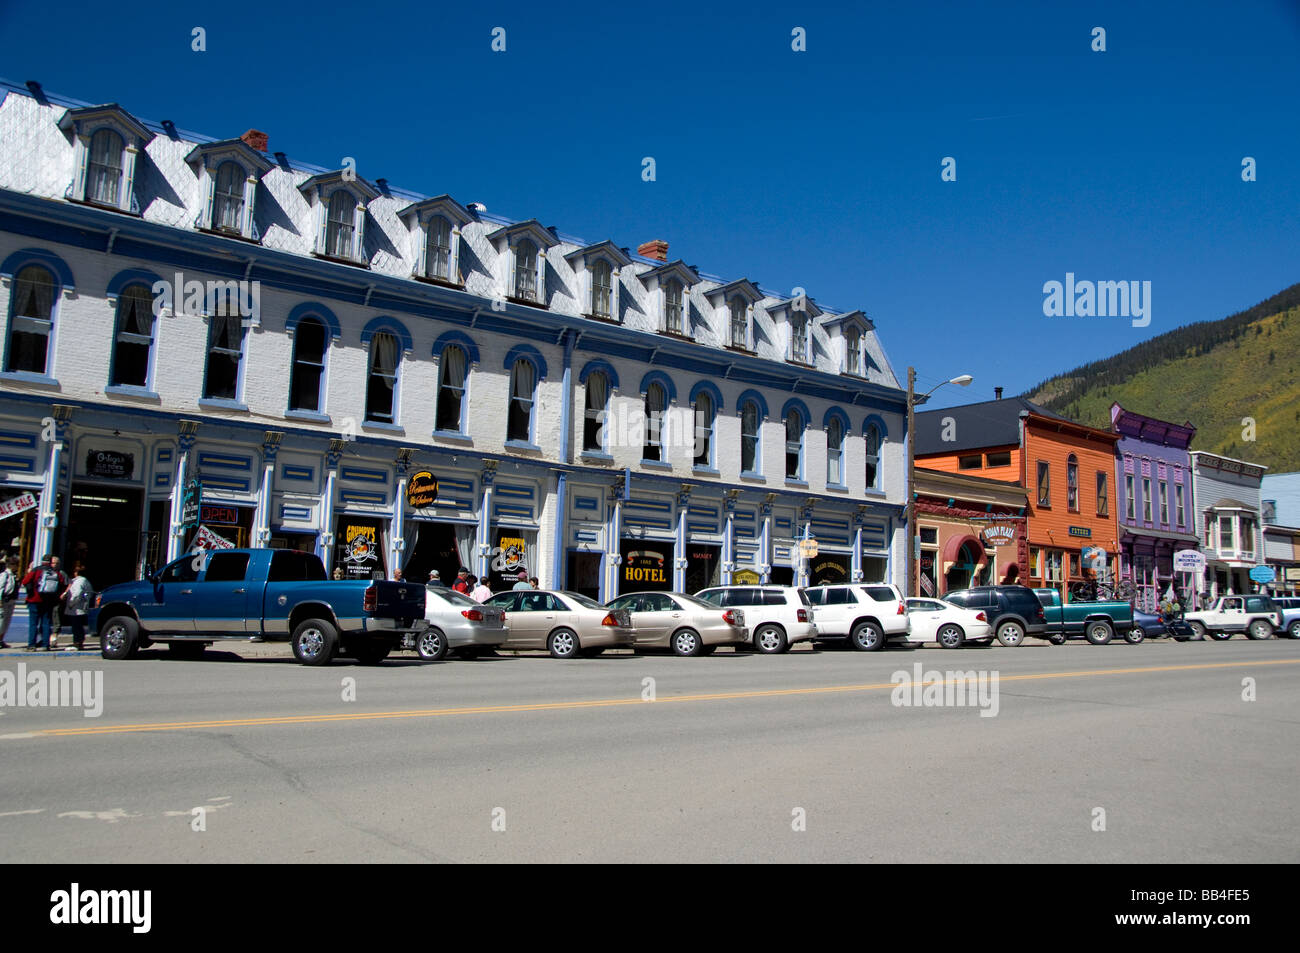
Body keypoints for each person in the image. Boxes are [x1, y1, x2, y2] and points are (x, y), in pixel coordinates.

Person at [21, 553, 66, 651]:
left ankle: (31, 645)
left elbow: (24, 581)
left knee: (33, 624)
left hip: (34, 600)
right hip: (48, 602)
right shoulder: (56, 572)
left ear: (42, 561)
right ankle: (46, 645)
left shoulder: (36, 570)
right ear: (50, 562)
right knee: (46, 623)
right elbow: (63, 584)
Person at [61, 564, 93, 651]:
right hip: (80, 606)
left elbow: (77, 593)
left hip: (77, 608)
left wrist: (71, 603)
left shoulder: (79, 581)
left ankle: (77, 642)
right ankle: (79, 641)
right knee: (78, 625)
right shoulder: (84, 581)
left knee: (76, 625)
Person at [0, 557, 19, 649]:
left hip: (11, 601)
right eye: (16, 565)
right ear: (11, 565)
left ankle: (1, 640)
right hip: (4, 601)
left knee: (6, 622)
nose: (17, 567)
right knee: (1, 621)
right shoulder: (5, 575)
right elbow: (1, 588)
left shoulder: (13, 575)